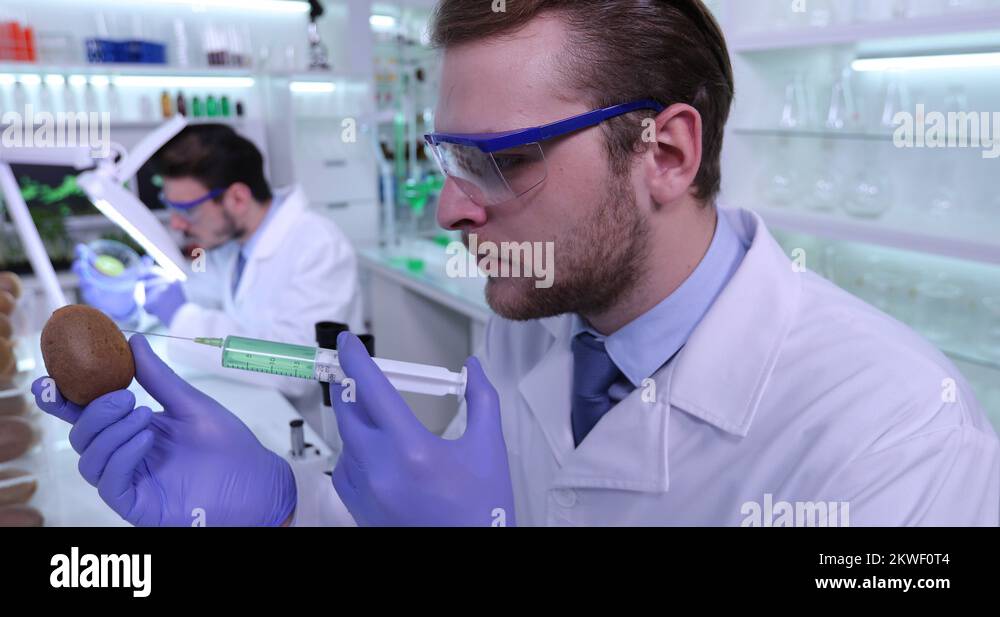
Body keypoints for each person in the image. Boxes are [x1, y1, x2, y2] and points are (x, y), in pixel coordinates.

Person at [35, 0, 998, 527]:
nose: (455, 205)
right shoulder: (540, 324)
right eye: (452, 158)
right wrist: (285, 511)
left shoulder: (896, 433)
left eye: (504, 160)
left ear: (665, 154)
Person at [76, 124, 363, 410]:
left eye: (187, 210)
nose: (176, 223)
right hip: (256, 408)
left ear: (237, 198)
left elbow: (301, 367)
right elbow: (195, 296)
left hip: (315, 427)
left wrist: (180, 315)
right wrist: (136, 303)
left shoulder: (319, 247)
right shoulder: (229, 246)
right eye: (171, 206)